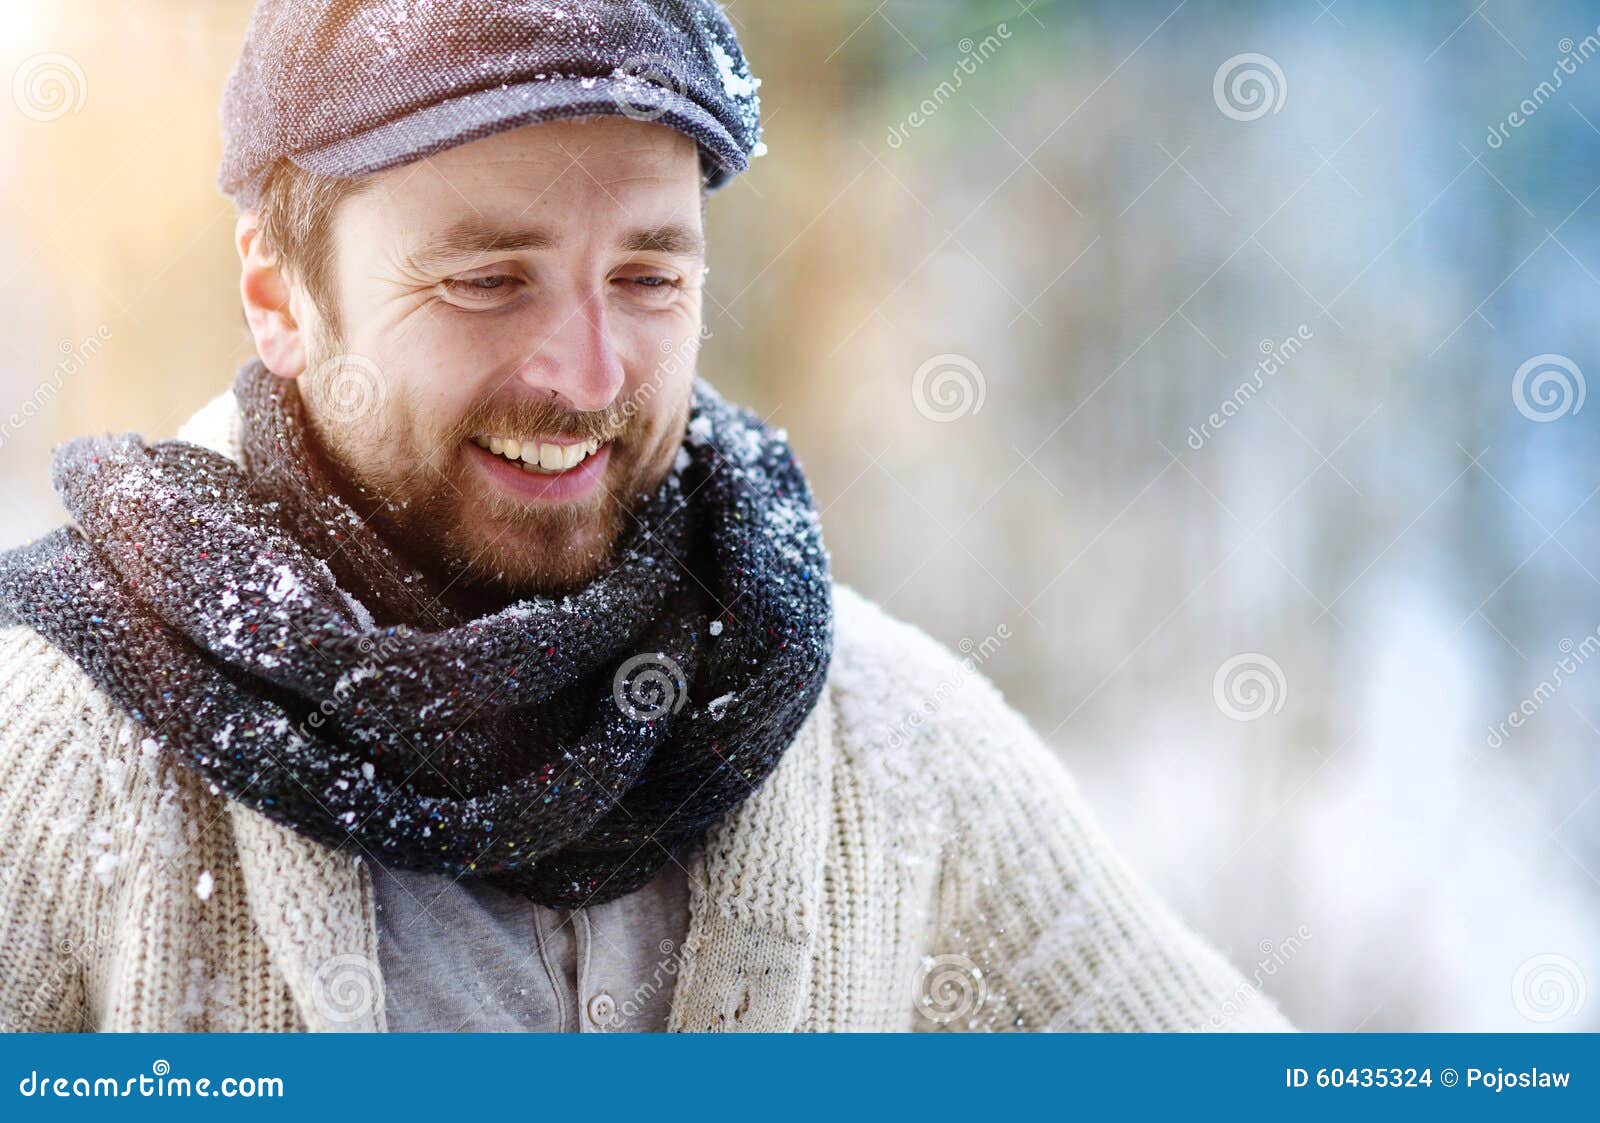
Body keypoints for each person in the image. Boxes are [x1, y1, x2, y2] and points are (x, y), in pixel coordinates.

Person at [0, 0, 1292, 1033]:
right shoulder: (51, 755)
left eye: (647, 276)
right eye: (489, 279)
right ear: (280, 294)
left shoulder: (886, 747)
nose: (589, 374)